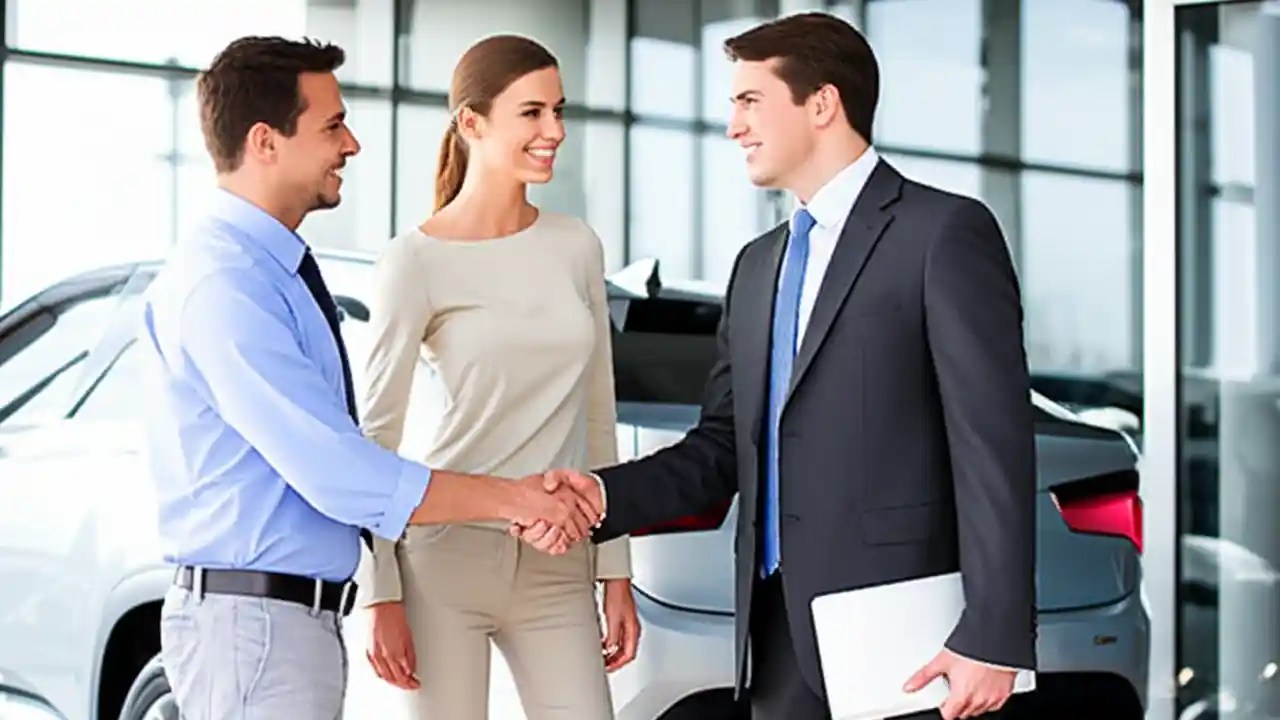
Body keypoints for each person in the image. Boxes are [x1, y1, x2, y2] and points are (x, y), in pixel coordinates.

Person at [518, 12, 1036, 720]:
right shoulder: (758, 266)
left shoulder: (941, 233)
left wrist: (994, 636)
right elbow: (724, 445)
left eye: (749, 101)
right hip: (777, 638)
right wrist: (599, 497)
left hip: (910, 644)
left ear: (822, 103)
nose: (734, 127)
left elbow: (993, 444)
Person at [138, 36, 600, 720]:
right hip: (256, 626)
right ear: (265, 142)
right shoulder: (227, 284)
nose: (351, 144)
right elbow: (341, 470)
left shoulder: (271, 270)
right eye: (331, 126)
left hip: (287, 621)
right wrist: (516, 500)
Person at [355, 34, 638, 720]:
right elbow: (372, 440)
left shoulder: (576, 245)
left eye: (559, 111)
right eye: (532, 113)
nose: (555, 132)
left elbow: (598, 413)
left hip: (559, 563)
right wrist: (380, 592)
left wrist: (616, 571)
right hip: (444, 562)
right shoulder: (414, 261)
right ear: (472, 123)